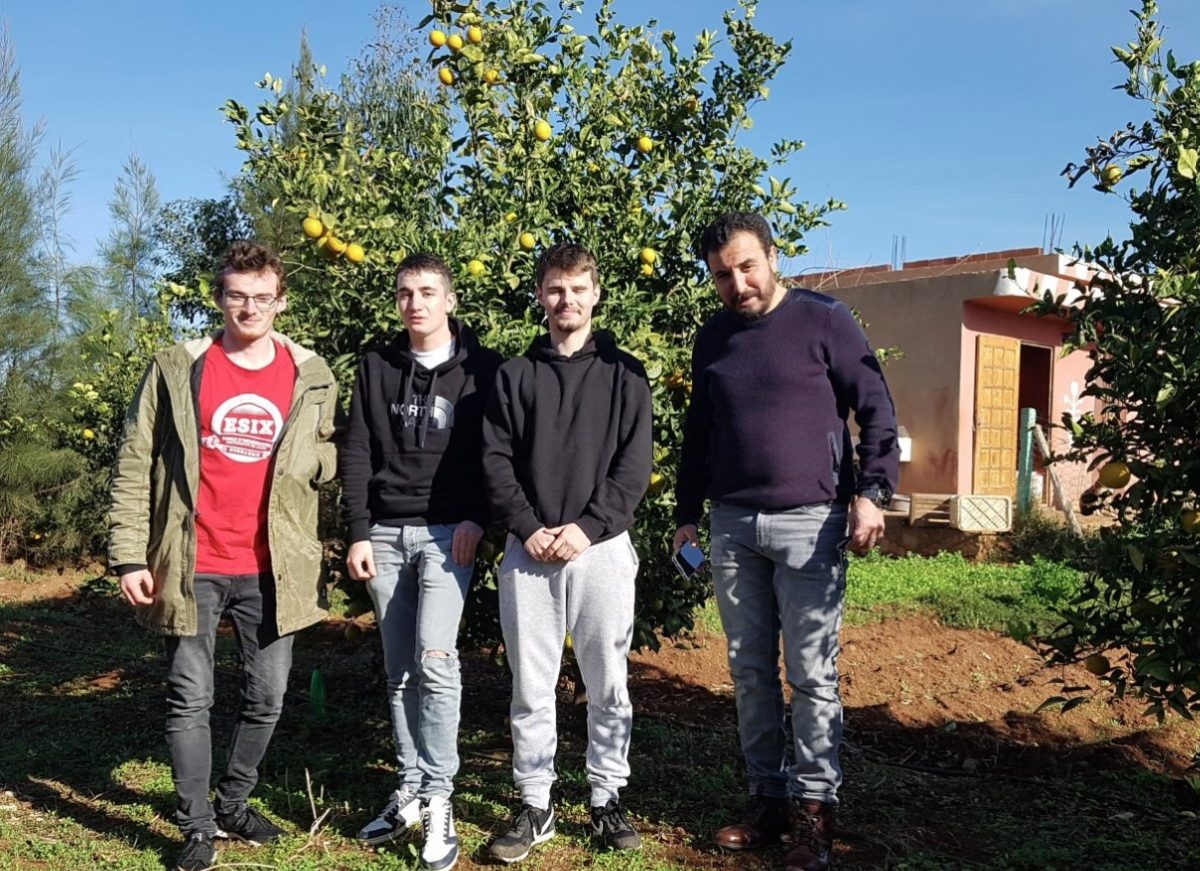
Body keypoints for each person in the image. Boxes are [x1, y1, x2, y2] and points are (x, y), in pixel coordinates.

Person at [672, 212, 899, 871]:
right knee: (748, 670)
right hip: (734, 525)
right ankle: (767, 798)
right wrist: (688, 513)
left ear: (773, 257)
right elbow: (699, 435)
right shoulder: (713, 338)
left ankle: (816, 813)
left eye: (746, 265)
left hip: (814, 524)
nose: (737, 282)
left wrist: (872, 490)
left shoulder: (825, 320)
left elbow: (877, 408)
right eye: (722, 274)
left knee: (811, 672)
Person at [108, 241, 339, 871]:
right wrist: (130, 555)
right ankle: (197, 825)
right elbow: (135, 460)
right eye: (237, 295)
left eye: (262, 297)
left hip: (273, 566)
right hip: (191, 559)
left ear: (280, 301)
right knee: (191, 697)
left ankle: (235, 799)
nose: (249, 307)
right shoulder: (178, 367)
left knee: (268, 696)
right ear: (220, 298)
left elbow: (325, 456)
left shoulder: (311, 374)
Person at [482, 242, 652, 864]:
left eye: (578, 289)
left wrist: (587, 527)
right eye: (555, 289)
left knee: (608, 681)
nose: (567, 300)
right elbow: (496, 462)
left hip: (601, 549)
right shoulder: (513, 375)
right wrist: (527, 527)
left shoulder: (626, 374)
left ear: (596, 294)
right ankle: (536, 802)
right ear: (540, 296)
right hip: (528, 552)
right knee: (532, 684)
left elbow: (634, 469)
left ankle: (607, 796)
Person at [341, 252, 501, 870]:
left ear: (450, 300)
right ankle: (409, 787)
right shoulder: (376, 367)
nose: (416, 303)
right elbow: (356, 450)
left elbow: (496, 453)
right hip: (384, 533)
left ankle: (440, 798)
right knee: (400, 669)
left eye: (428, 292)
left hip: (446, 538)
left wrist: (479, 518)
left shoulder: (483, 370)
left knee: (436, 661)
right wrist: (358, 530)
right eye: (406, 293)